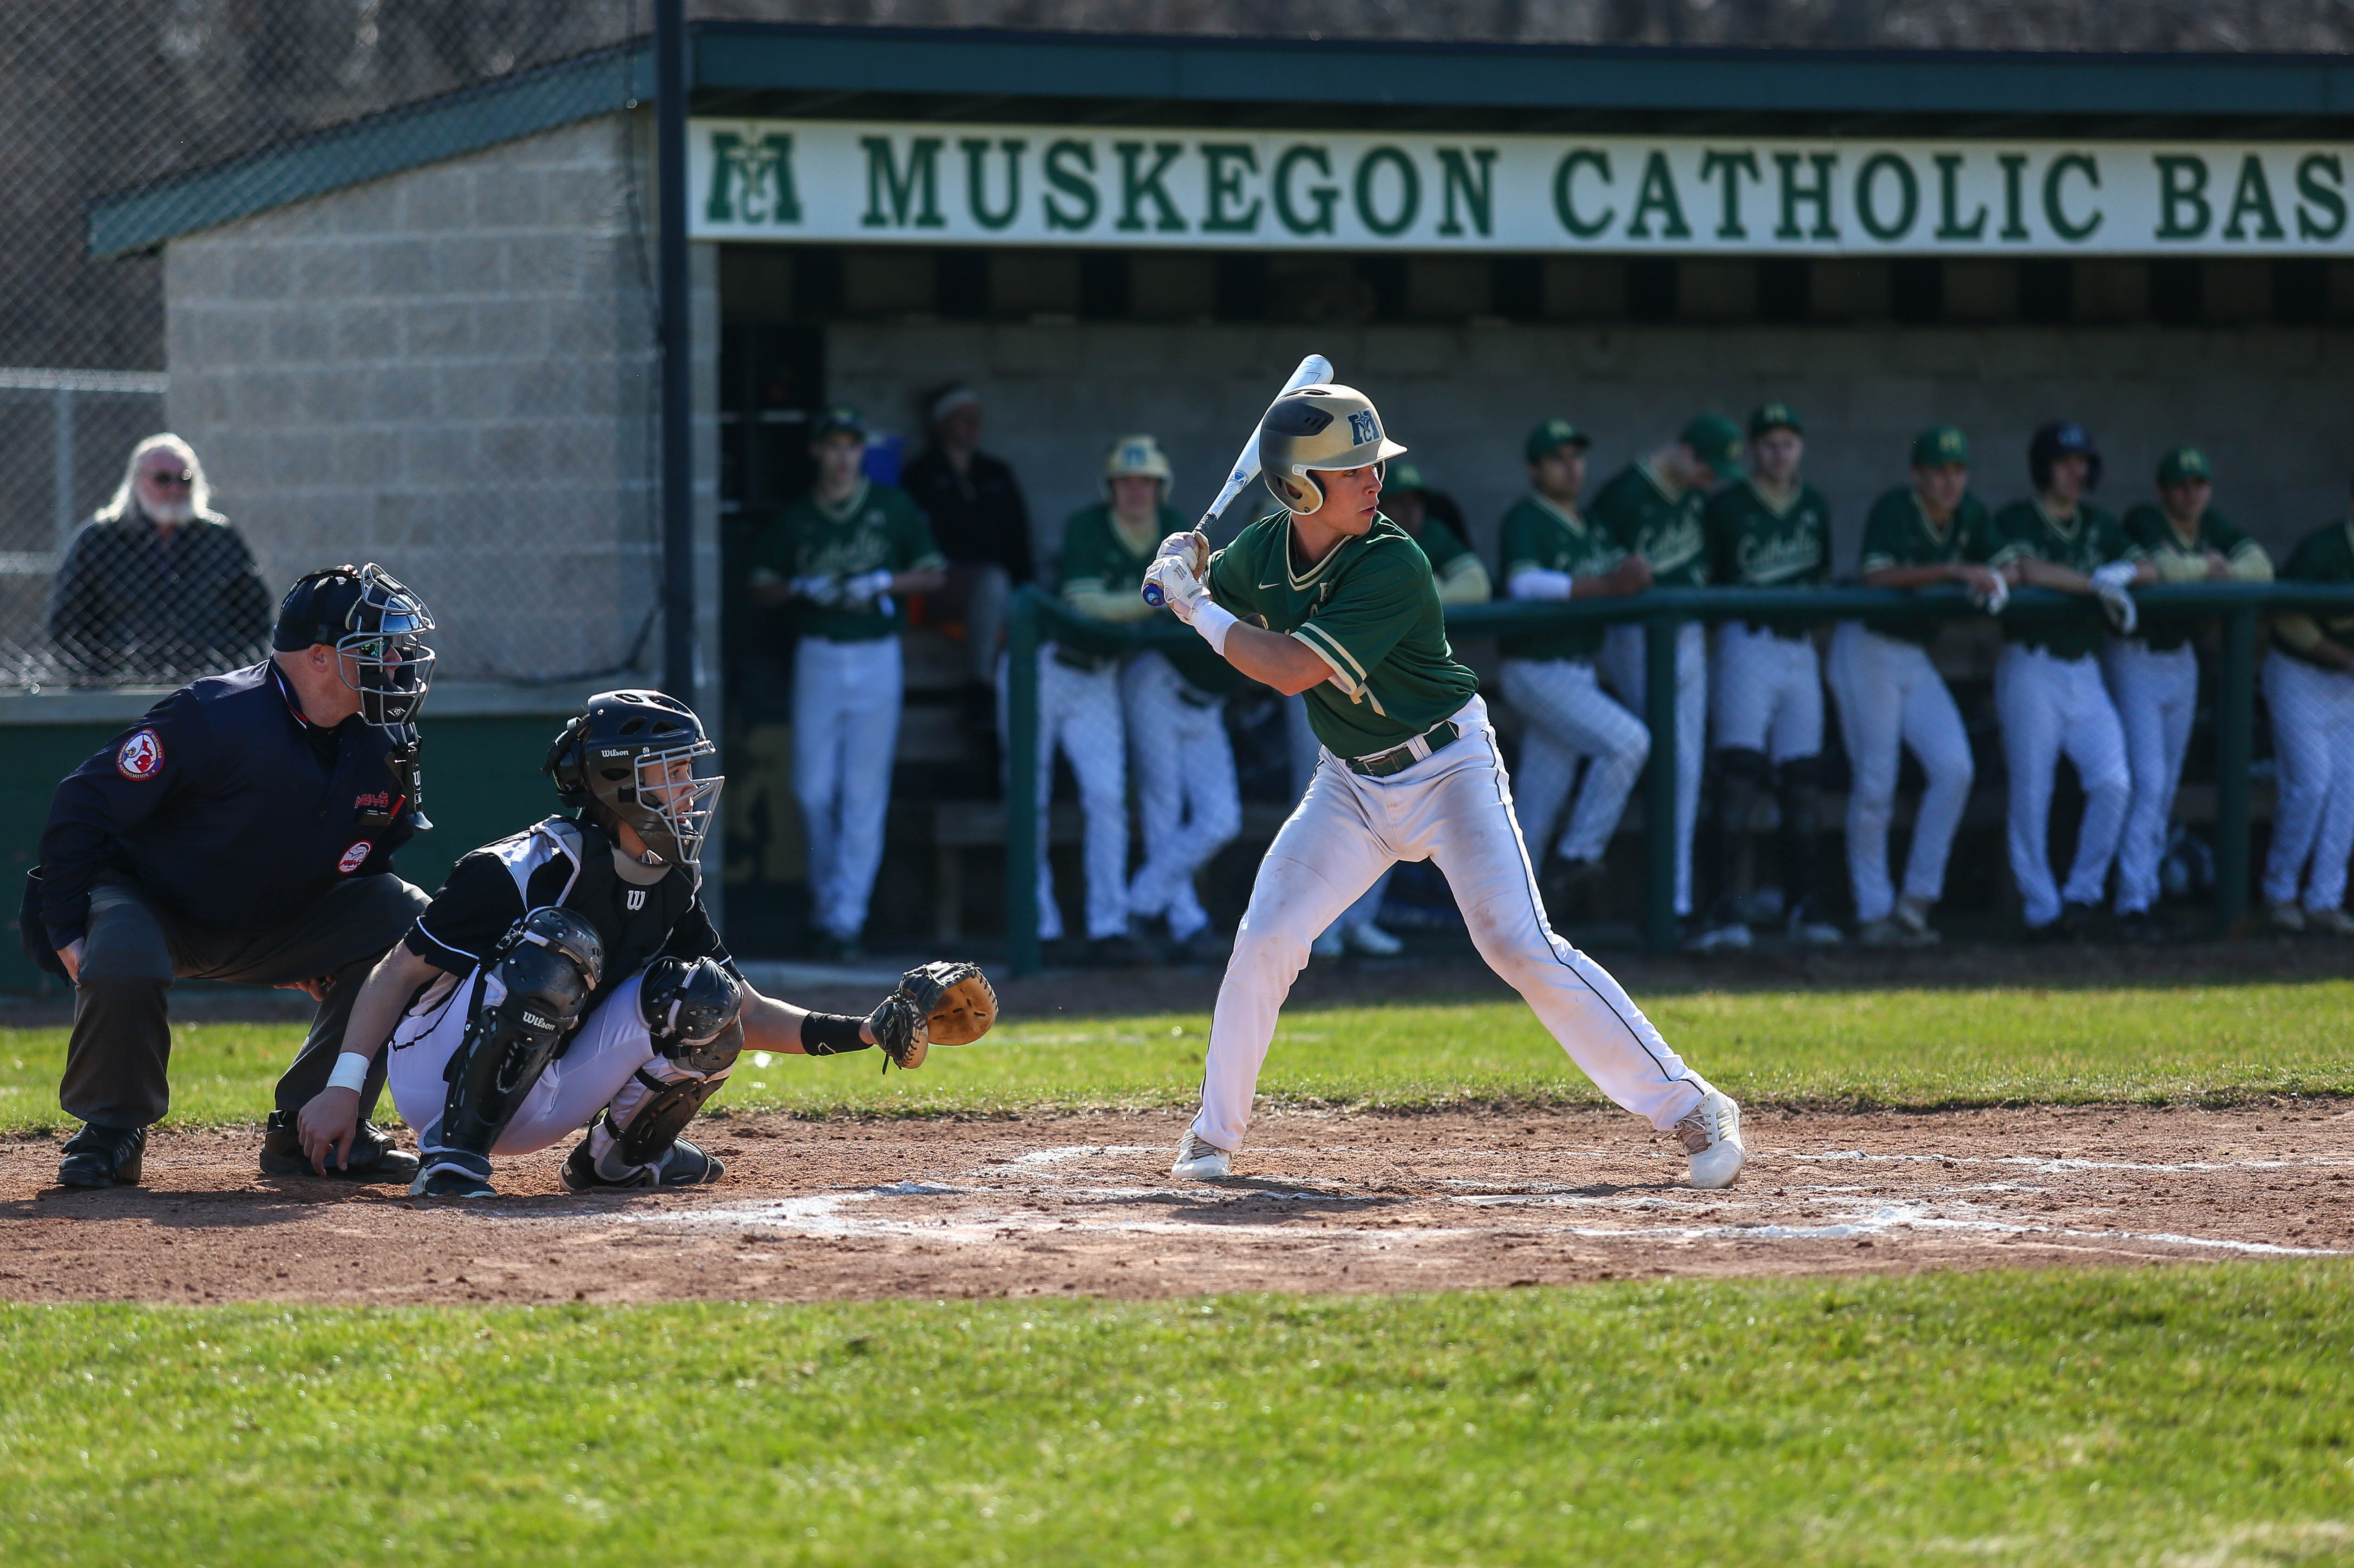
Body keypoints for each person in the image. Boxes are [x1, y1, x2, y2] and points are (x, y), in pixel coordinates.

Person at [1140, 379, 1744, 1191]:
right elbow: (1218, 569)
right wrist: (1188, 556)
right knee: (1265, 937)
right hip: (1348, 786)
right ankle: (1211, 1140)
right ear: (1295, 487)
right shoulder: (1262, 550)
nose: (1374, 482)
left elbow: (1288, 669)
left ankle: (1691, 1104)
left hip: (1449, 769)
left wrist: (1197, 612)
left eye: (1371, 465)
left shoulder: (1392, 559)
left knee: (1517, 944)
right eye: (1351, 469)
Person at [293, 691, 961, 1198]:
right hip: (435, 1079)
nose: (689, 791)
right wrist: (344, 1089)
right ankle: (453, 1162)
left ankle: (616, 1159)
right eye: (672, 772)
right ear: (620, 781)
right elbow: (397, 970)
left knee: (707, 994)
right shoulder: (523, 867)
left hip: (548, 1089)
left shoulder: (671, 881)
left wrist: (870, 1031)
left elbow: (746, 1013)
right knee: (559, 945)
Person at [20, 565, 436, 1188]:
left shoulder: (386, 739)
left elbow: (370, 860)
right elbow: (86, 802)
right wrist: (63, 928)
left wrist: (327, 947)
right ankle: (110, 1130)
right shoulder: (215, 714)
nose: (399, 662)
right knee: (127, 948)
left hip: (274, 923)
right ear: (320, 658)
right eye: (379, 648)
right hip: (155, 906)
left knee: (407, 920)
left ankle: (311, 1130)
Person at [748, 407, 948, 962]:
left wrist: (882, 580)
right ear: (817, 451)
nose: (842, 457)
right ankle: (825, 904)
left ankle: (843, 921)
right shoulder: (798, 517)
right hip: (819, 652)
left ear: (863, 451)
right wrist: (799, 587)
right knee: (812, 789)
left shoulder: (892, 506)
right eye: (832, 446)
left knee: (863, 793)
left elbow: (933, 572)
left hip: (877, 652)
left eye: (851, 446)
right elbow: (759, 586)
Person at [1978, 422, 2151, 941]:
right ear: (2042, 467)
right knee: (2032, 791)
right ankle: (2041, 909)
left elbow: (2146, 565)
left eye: (2082, 462)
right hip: (2031, 665)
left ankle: (2080, 895)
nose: (2076, 472)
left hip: (2084, 669)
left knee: (2114, 782)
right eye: (2065, 462)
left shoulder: (2098, 524)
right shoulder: (2014, 517)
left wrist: (2125, 576)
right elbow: (2026, 568)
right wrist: (2092, 586)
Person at [1312, 460, 1491, 958]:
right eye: (1399, 503)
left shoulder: (1419, 540)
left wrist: (1409, 596)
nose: (1408, 511)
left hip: (1388, 702)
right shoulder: (1344, 541)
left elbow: (1477, 582)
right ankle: (1322, 926)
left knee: (1388, 816)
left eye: (1414, 502)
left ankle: (1356, 923)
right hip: (1323, 689)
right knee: (1323, 809)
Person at [1828, 426, 1997, 947]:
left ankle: (1915, 905)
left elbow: (2005, 559)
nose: (1949, 482)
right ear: (1917, 475)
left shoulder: (1971, 515)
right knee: (1877, 780)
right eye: (1938, 472)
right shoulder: (1895, 508)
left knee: (1955, 767)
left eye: (1957, 471)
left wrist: (1996, 576)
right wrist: (1952, 569)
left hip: (1913, 655)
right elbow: (1875, 577)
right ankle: (1873, 911)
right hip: (1867, 647)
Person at [1025, 436, 1183, 967]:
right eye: (1125, 481)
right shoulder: (1085, 527)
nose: (1135, 491)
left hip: (1099, 678)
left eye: (1145, 482)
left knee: (1107, 798)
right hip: (1043, 668)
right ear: (1110, 486)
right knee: (1032, 799)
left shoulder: (1176, 528)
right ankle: (1039, 926)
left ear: (1160, 488)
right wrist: (1161, 596)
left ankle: (1107, 925)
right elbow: (1086, 605)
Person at [1493, 418, 1654, 929]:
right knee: (1629, 741)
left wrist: (1634, 574)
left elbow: (1622, 573)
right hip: (1537, 668)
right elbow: (1524, 584)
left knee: (1537, 807)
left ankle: (1515, 921)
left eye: (1575, 456)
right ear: (1534, 469)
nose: (1570, 466)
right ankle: (1579, 855)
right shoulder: (1525, 518)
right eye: (1557, 458)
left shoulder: (1592, 524)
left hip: (1578, 672)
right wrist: (1606, 586)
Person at [1690, 403, 1840, 951]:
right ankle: (1721, 908)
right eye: (1770, 443)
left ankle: (1805, 904)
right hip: (1744, 643)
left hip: (1799, 647)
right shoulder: (1727, 505)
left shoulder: (1815, 505)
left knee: (1802, 777)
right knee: (1738, 773)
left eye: (1789, 443)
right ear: (1754, 450)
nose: (1780, 453)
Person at [2110, 447, 2274, 941]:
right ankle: (2131, 902)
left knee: (2165, 784)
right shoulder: (2143, 516)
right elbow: (2160, 568)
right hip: (2135, 655)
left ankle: (2146, 893)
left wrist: (2203, 566)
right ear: (2163, 491)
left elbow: (2261, 568)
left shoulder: (2213, 523)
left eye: (2198, 483)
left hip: (2180, 659)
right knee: (2148, 781)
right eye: (2181, 485)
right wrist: (2210, 567)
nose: (2190, 492)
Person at [1592, 414, 1744, 932]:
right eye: (1706, 468)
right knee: (1671, 762)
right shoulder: (1625, 493)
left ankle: (1675, 902)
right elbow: (1598, 567)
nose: (1711, 480)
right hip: (1638, 636)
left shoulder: (1697, 500)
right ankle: (1663, 903)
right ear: (1684, 452)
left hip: (1689, 636)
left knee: (1688, 766)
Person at [46, 433, 274, 684]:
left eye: (184, 479)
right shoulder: (100, 540)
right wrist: (98, 677)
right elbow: (67, 620)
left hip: (207, 690)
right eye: (163, 479)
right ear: (136, 482)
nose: (175, 488)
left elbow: (256, 613)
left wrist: (233, 672)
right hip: (120, 688)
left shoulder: (220, 538)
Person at [900, 385, 1035, 725]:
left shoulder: (996, 473)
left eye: (976, 419)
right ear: (942, 424)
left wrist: (1026, 590)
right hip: (941, 585)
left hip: (1001, 589)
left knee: (1012, 591)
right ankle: (980, 687)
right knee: (992, 581)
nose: (972, 426)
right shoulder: (919, 476)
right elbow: (912, 544)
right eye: (963, 420)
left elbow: (1020, 539)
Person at [2261, 493, 2354, 935]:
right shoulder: (2322, 550)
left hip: (2346, 683)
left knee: (2348, 795)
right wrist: (2344, 657)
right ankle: (2280, 893)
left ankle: (2325, 900)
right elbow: (2283, 615)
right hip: (2299, 674)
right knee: (2311, 786)